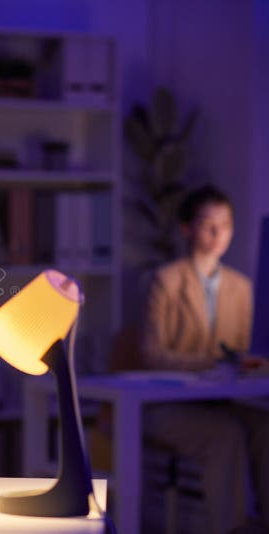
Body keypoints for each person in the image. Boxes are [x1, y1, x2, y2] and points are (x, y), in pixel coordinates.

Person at [139, 185, 269, 534]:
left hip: (216, 399)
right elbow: (151, 353)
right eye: (209, 224)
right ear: (187, 228)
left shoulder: (241, 288)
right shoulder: (166, 281)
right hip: (163, 404)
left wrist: (247, 364)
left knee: (263, 429)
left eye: (225, 224)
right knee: (224, 436)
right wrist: (207, 363)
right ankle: (231, 528)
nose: (218, 233)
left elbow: (244, 348)